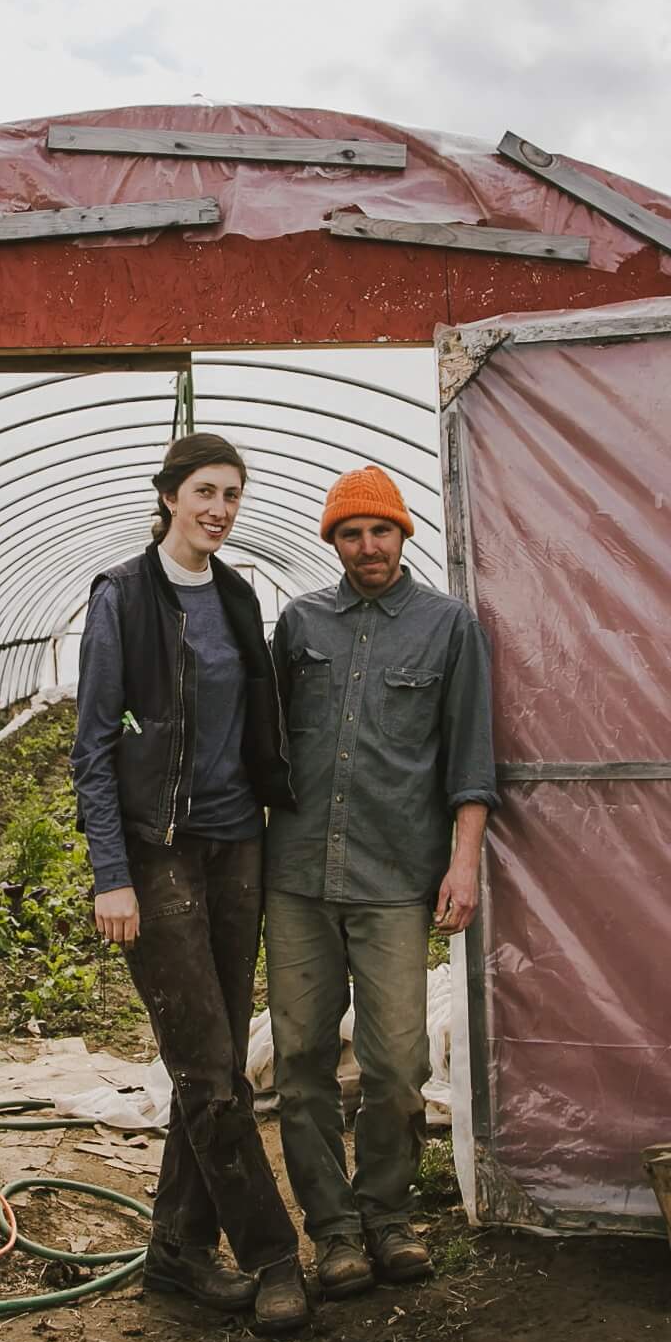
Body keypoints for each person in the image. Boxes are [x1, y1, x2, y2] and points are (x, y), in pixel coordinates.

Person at [69, 432, 310, 1336]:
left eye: (233, 495)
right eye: (205, 491)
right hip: (159, 850)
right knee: (213, 1072)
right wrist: (111, 875)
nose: (220, 509)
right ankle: (273, 1258)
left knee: (206, 1063)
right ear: (169, 496)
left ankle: (174, 1253)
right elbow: (92, 746)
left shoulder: (241, 596)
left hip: (234, 842)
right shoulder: (124, 598)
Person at [265, 464, 496, 1299]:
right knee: (301, 1062)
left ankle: (387, 1214)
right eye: (352, 533)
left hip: (397, 877)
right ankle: (331, 1232)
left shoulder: (447, 627)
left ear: (404, 535)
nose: (369, 545)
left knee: (396, 1065)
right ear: (334, 541)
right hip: (295, 877)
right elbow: (263, 745)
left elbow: (471, 759)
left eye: (382, 530)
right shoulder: (299, 625)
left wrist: (463, 861)